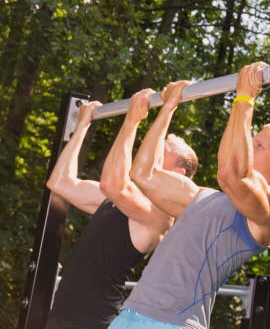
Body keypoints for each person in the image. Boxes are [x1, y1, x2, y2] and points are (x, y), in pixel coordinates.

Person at [109, 62, 270, 329]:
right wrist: (168, 109)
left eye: (259, 145)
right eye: (252, 137)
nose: (249, 143)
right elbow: (143, 173)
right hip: (130, 314)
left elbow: (232, 173)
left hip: (174, 324)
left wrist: (245, 98)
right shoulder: (203, 195)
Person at [45, 89, 198, 329]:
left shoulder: (159, 215)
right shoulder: (120, 198)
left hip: (95, 322)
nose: (149, 152)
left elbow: (112, 184)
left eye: (160, 150)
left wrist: (132, 120)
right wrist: (82, 125)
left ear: (178, 174)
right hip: (60, 317)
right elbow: (60, 183)